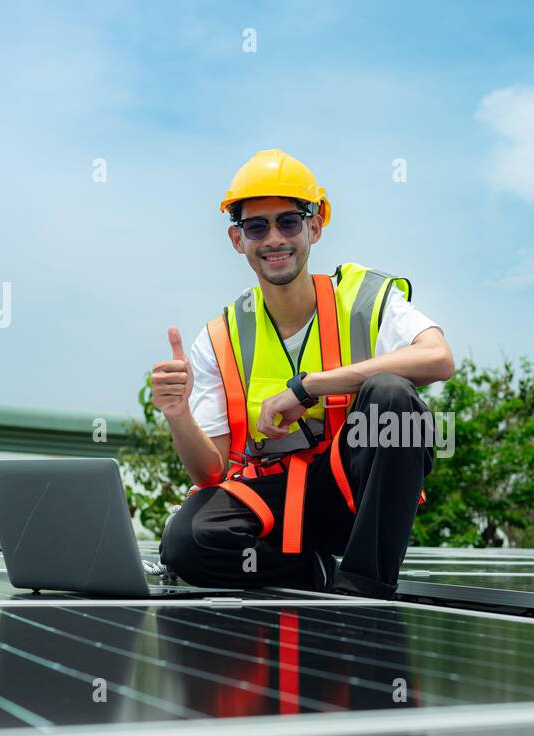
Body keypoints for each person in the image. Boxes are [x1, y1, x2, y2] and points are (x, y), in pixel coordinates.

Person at [152, 148, 454, 599]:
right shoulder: (220, 337)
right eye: (257, 226)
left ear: (314, 227)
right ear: (238, 240)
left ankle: (365, 588)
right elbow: (210, 471)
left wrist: (309, 387)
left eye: (288, 222)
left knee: (392, 397)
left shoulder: (364, 298)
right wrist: (177, 415)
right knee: (185, 540)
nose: (274, 238)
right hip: (274, 500)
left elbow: (437, 359)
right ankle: (313, 573)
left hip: (357, 494)